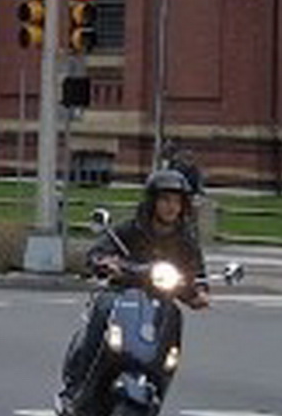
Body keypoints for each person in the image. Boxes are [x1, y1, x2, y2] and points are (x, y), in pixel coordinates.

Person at [60, 165, 209, 403]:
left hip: (162, 300)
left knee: (173, 319)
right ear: (153, 202)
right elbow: (99, 251)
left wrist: (200, 292)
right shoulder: (131, 229)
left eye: (177, 201)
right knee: (103, 308)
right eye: (165, 200)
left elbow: (197, 272)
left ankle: (158, 381)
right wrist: (106, 262)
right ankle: (78, 383)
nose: (171, 207)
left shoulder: (185, 240)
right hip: (123, 291)